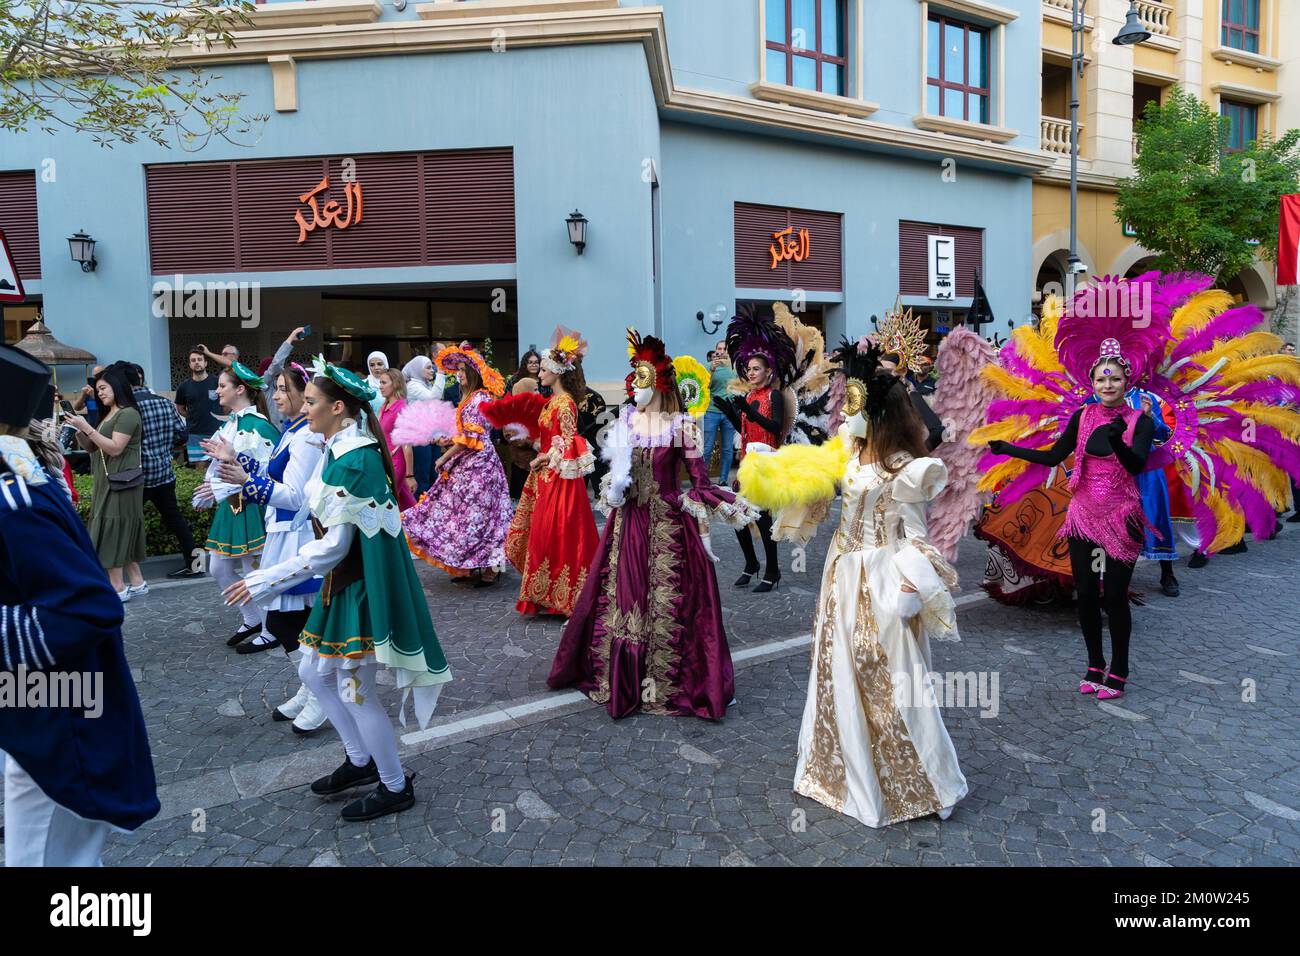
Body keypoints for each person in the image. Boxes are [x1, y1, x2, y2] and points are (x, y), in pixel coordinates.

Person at [738, 338, 967, 827]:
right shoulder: (847, 455)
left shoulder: (905, 469)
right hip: (841, 577)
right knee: (837, 669)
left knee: (895, 679)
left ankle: (932, 781)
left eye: (855, 409)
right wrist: (766, 463)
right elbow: (811, 477)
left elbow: (917, 536)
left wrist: (912, 587)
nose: (844, 417)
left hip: (883, 579)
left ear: (879, 415)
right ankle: (841, 769)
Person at [221, 357, 452, 822]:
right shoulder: (337, 446)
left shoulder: (356, 457)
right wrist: (247, 479)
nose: (302, 409)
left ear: (339, 408)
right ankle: (360, 760)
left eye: (310, 402)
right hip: (343, 583)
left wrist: (264, 580)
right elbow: (302, 502)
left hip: (358, 587)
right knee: (312, 673)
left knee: (354, 690)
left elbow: (333, 546)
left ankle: (394, 785)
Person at [0, 344, 160, 866]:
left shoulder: (14, 501)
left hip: (57, 716)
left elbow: (90, 608)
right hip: (34, 706)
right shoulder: (19, 487)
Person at [549, 331, 757, 719]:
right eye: (633, 378)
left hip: (667, 527)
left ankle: (667, 681)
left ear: (660, 383)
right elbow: (617, 470)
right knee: (624, 598)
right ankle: (622, 677)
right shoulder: (627, 419)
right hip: (627, 523)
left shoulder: (682, 427)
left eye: (641, 379)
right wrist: (612, 487)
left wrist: (706, 536)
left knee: (667, 602)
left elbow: (699, 485)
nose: (633, 386)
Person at [989, 349, 1156, 702]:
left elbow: (1136, 465)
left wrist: (1116, 440)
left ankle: (1119, 670)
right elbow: (1053, 455)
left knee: (1113, 597)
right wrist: (1009, 449)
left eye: (1114, 378)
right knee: (1086, 596)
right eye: (1101, 378)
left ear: (1127, 382)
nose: (1107, 384)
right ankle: (1095, 665)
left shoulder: (1140, 421)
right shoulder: (1083, 416)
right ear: (1091, 383)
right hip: (1081, 515)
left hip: (1121, 517)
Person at [203, 362, 329, 733]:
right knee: (289, 621)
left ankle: (321, 692)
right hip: (283, 535)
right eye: (274, 389)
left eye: (282, 389)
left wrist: (245, 480)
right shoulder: (293, 432)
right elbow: (273, 475)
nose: (274, 396)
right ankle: (312, 688)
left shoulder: (306, 436)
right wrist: (236, 461)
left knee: (286, 621)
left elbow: (295, 497)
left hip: (296, 537)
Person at [492, 326, 599, 617]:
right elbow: (554, 438)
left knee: (556, 533)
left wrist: (543, 458)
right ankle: (548, 593)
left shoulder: (564, 404)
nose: (539, 374)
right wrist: (537, 445)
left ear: (556, 371)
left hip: (558, 478)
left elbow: (568, 442)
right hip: (547, 475)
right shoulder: (554, 401)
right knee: (544, 533)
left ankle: (563, 595)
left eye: (544, 370)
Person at [404, 344, 513, 586]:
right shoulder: (469, 398)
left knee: (482, 516)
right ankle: (471, 565)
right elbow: (464, 434)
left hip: (480, 468)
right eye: (458, 370)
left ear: (474, 373)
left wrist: (443, 456)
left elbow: (472, 437)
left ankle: (490, 567)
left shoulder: (479, 399)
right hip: (468, 465)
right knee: (464, 516)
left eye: (463, 370)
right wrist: (448, 439)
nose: (459, 374)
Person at [193, 363, 280, 647]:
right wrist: (208, 489)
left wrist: (218, 486)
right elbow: (218, 464)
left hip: (251, 504)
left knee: (254, 570)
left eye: (222, 386)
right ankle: (252, 617)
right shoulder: (229, 425)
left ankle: (271, 629)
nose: (217, 390)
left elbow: (270, 471)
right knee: (218, 567)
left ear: (240, 389)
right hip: (231, 504)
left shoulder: (259, 427)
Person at [717, 310, 797, 593]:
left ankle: (772, 570)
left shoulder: (772, 396)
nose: (751, 373)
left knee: (762, 521)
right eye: (748, 369)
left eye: (756, 369)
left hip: (767, 463)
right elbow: (747, 433)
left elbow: (774, 429)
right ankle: (751, 564)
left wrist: (749, 411)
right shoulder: (749, 396)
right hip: (748, 463)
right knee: (737, 516)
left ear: (769, 372)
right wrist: (731, 412)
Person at [65, 366, 147, 601]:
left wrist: (87, 427)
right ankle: (138, 583)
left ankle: (118, 587)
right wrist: (78, 429)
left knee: (114, 531)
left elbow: (115, 448)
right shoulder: (109, 413)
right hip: (108, 480)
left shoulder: (128, 413)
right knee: (120, 530)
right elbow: (93, 447)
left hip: (122, 481)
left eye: (103, 388)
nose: (99, 393)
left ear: (117, 386)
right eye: (98, 389)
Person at [120, 363, 204, 580]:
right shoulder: (165, 403)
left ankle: (120, 574)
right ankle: (195, 565)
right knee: (176, 521)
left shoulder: (127, 408)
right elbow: (182, 436)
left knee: (124, 523)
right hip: (165, 474)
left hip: (138, 477)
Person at [376, 368, 417, 511]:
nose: (380, 386)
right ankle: (419, 528)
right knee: (406, 505)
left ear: (395, 384)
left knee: (388, 503)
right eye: (380, 382)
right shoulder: (384, 406)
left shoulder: (401, 408)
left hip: (397, 464)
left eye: (384, 382)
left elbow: (407, 445)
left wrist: (410, 475)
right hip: (386, 462)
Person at [175, 347, 223, 467]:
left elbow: (226, 405)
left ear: (205, 363)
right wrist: (193, 416)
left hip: (216, 432)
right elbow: (180, 409)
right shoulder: (184, 387)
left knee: (218, 467)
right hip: (195, 434)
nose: (196, 362)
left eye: (199, 359)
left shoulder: (217, 382)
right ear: (190, 364)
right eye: (193, 360)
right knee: (200, 469)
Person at [701, 340, 737, 484]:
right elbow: (704, 387)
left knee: (728, 449)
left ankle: (723, 480)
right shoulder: (708, 366)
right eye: (719, 349)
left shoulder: (734, 368)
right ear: (716, 351)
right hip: (711, 411)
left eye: (725, 349)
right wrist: (712, 370)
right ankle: (703, 480)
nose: (722, 351)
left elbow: (740, 387)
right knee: (707, 448)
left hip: (729, 412)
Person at [403, 355, 439, 496]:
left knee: (433, 477)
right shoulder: (413, 386)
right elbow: (433, 398)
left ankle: (429, 512)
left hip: (431, 437)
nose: (433, 371)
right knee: (422, 479)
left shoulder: (427, 384)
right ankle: (419, 512)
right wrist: (441, 375)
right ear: (418, 369)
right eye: (428, 368)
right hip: (419, 439)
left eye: (433, 367)